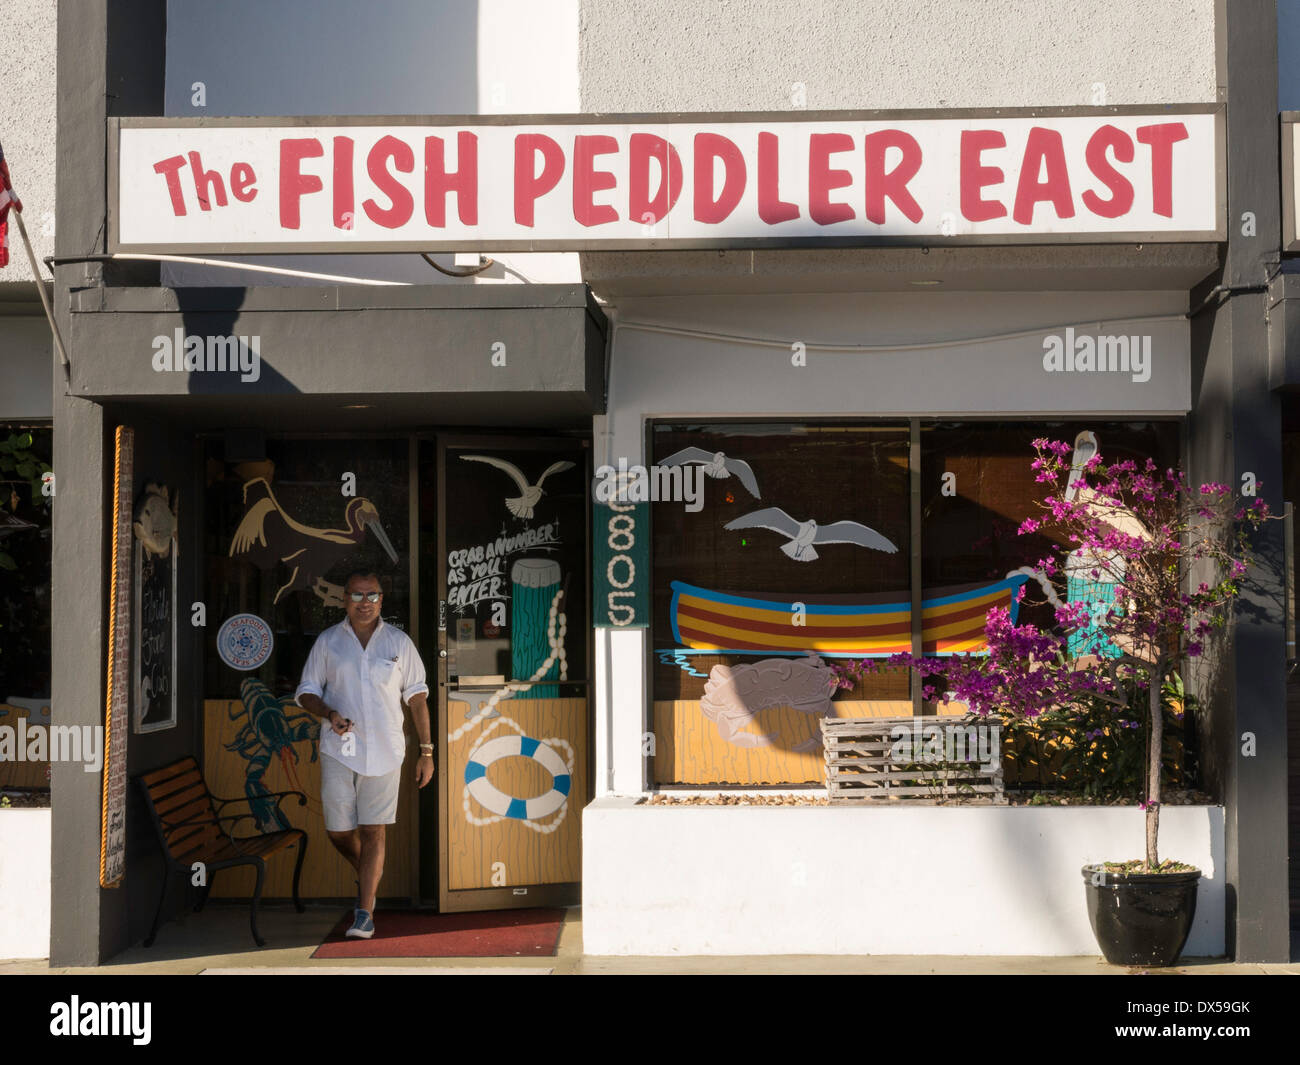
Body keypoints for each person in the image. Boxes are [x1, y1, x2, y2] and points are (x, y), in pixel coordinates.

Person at [295, 570, 433, 939]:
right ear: (344, 600)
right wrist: (329, 714)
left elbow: (417, 698)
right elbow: (306, 690)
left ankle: (364, 912)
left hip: (386, 750)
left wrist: (427, 751)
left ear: (382, 599)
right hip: (340, 749)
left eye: (371, 595)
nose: (364, 602)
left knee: (374, 832)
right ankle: (369, 876)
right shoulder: (328, 642)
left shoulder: (399, 642)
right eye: (356, 596)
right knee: (338, 831)